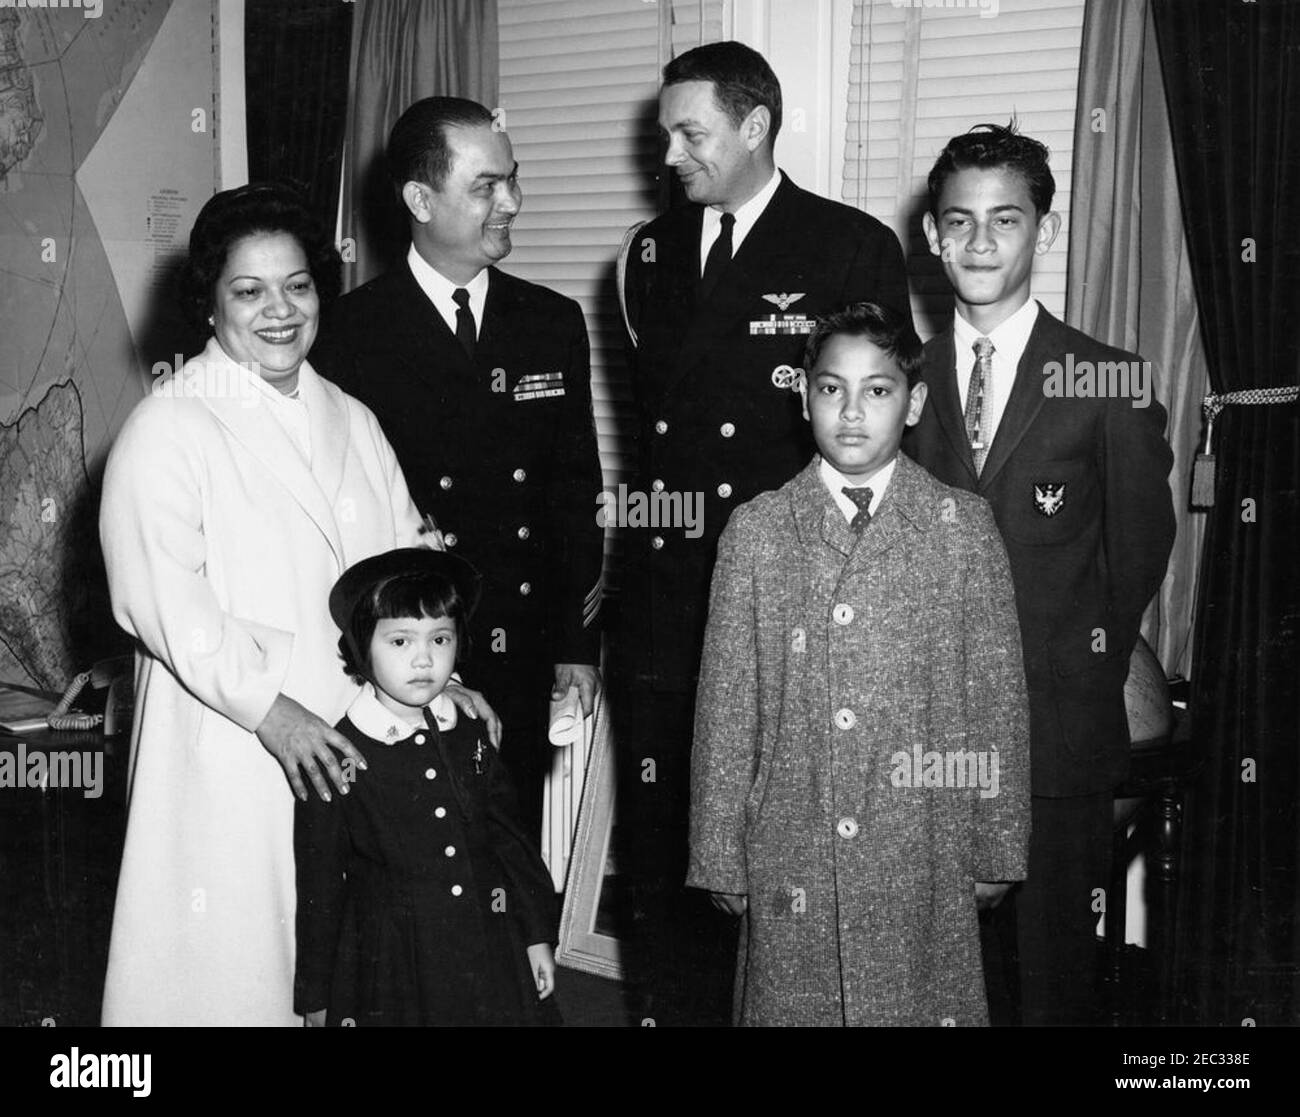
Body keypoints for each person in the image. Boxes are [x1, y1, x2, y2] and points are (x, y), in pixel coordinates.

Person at [98, 183, 498, 1027]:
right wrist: (270, 710)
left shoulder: (351, 416)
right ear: (209, 302)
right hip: (231, 737)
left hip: (356, 729)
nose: (279, 311)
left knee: (337, 970)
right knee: (230, 964)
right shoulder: (166, 426)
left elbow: (407, 563)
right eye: (249, 291)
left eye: (299, 285)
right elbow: (160, 599)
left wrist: (439, 672)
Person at [612, 40, 913, 1025]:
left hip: (788, 590)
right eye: (665, 134)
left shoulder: (848, 244)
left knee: (781, 837)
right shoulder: (648, 255)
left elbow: (877, 442)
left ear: (754, 127)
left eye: (690, 133)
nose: (670, 154)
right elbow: (651, 441)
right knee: (666, 839)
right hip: (664, 596)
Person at [688, 302, 1030, 1026]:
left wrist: (997, 838)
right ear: (802, 393)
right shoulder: (757, 531)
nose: (851, 412)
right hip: (793, 842)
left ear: (915, 404)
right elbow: (727, 704)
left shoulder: (961, 529)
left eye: (878, 390)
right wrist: (719, 847)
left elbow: (995, 697)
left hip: (922, 840)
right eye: (830, 388)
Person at [903, 123, 1176, 1026]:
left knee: (1049, 972)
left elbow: (1136, 552)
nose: (980, 244)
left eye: (1006, 221)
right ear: (934, 236)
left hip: (1054, 738)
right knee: (930, 963)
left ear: (1044, 234)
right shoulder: (891, 385)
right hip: (920, 732)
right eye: (960, 222)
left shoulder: (1108, 381)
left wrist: (1072, 676)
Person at [312, 97, 604, 836]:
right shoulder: (349, 333)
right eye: (486, 187)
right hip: (405, 648)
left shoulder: (551, 321)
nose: (512, 202)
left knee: (509, 845)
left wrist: (576, 643)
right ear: (420, 199)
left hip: (527, 636)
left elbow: (576, 490)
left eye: (513, 179)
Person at [295, 548, 559, 1027]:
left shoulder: (470, 729)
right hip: (394, 965)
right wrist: (318, 994)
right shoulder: (337, 757)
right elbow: (320, 884)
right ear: (361, 648)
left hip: (489, 942)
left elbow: (510, 842)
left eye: (440, 638)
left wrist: (536, 934)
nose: (423, 658)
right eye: (399, 641)